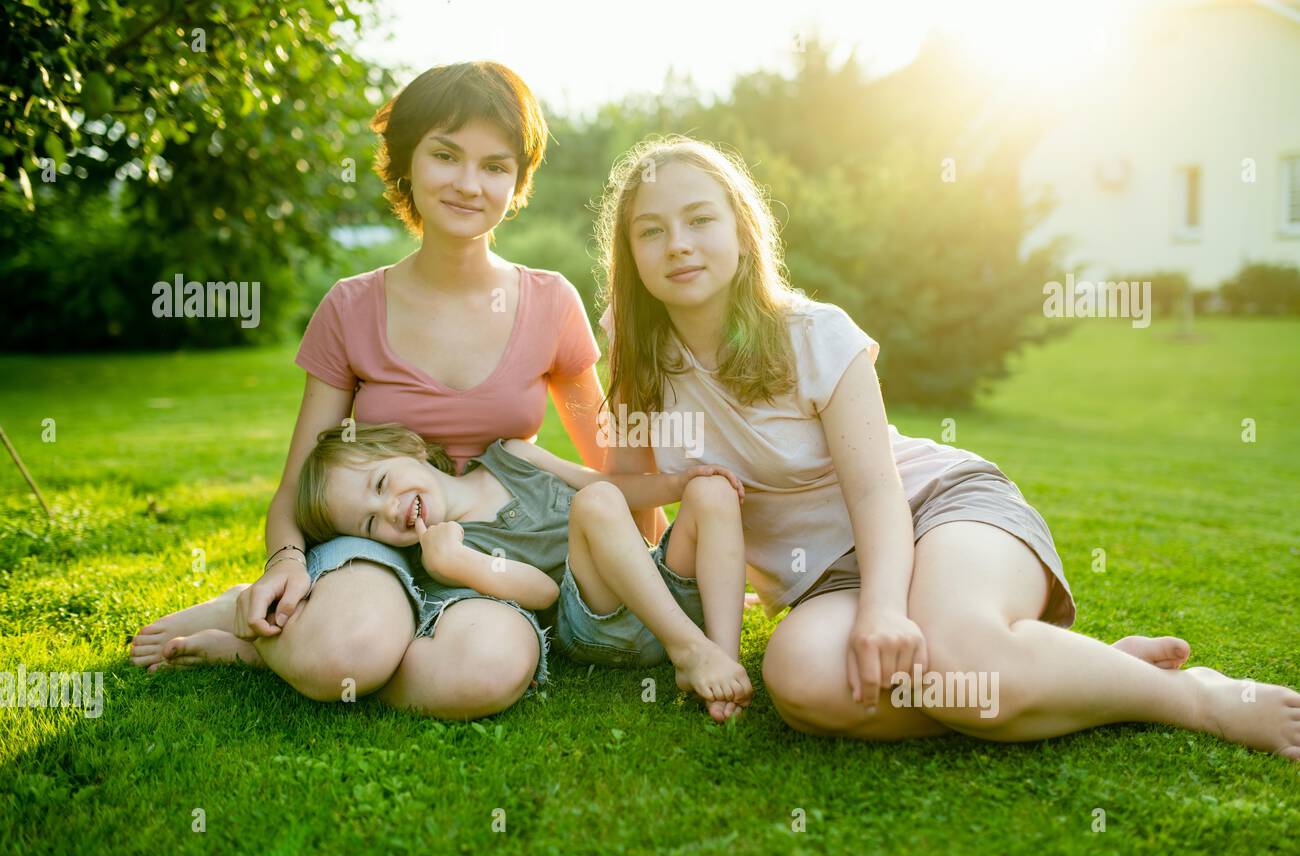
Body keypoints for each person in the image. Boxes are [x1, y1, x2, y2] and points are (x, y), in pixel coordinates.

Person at [594, 134, 1300, 758]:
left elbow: (874, 491)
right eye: (650, 231)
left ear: (743, 235)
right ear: (630, 255)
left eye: (699, 220)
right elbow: (634, 496)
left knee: (954, 661)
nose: (678, 244)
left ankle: (1195, 699)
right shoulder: (639, 360)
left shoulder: (812, 334)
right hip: (823, 582)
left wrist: (884, 609)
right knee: (803, 683)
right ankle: (1071, 676)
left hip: (934, 513)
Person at [130, 61, 666, 719]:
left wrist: (658, 572)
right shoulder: (350, 306)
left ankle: (293, 641)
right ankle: (275, 619)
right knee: (344, 657)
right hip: (372, 542)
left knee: (485, 674)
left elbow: (607, 469)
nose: (470, 184)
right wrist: (286, 561)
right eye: (446, 155)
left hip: (486, 558)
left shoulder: (550, 301)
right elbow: (297, 483)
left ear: (517, 182)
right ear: (406, 162)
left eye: (495, 166)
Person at [288, 422, 752, 720]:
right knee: (596, 506)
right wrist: (458, 562)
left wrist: (677, 485)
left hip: (657, 587)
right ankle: (689, 651)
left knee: (712, 493)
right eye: (370, 523)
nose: (390, 509)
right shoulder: (443, 554)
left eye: (382, 483)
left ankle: (723, 661)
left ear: (410, 448)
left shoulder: (511, 455)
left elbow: (599, 482)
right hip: (598, 620)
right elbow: (543, 592)